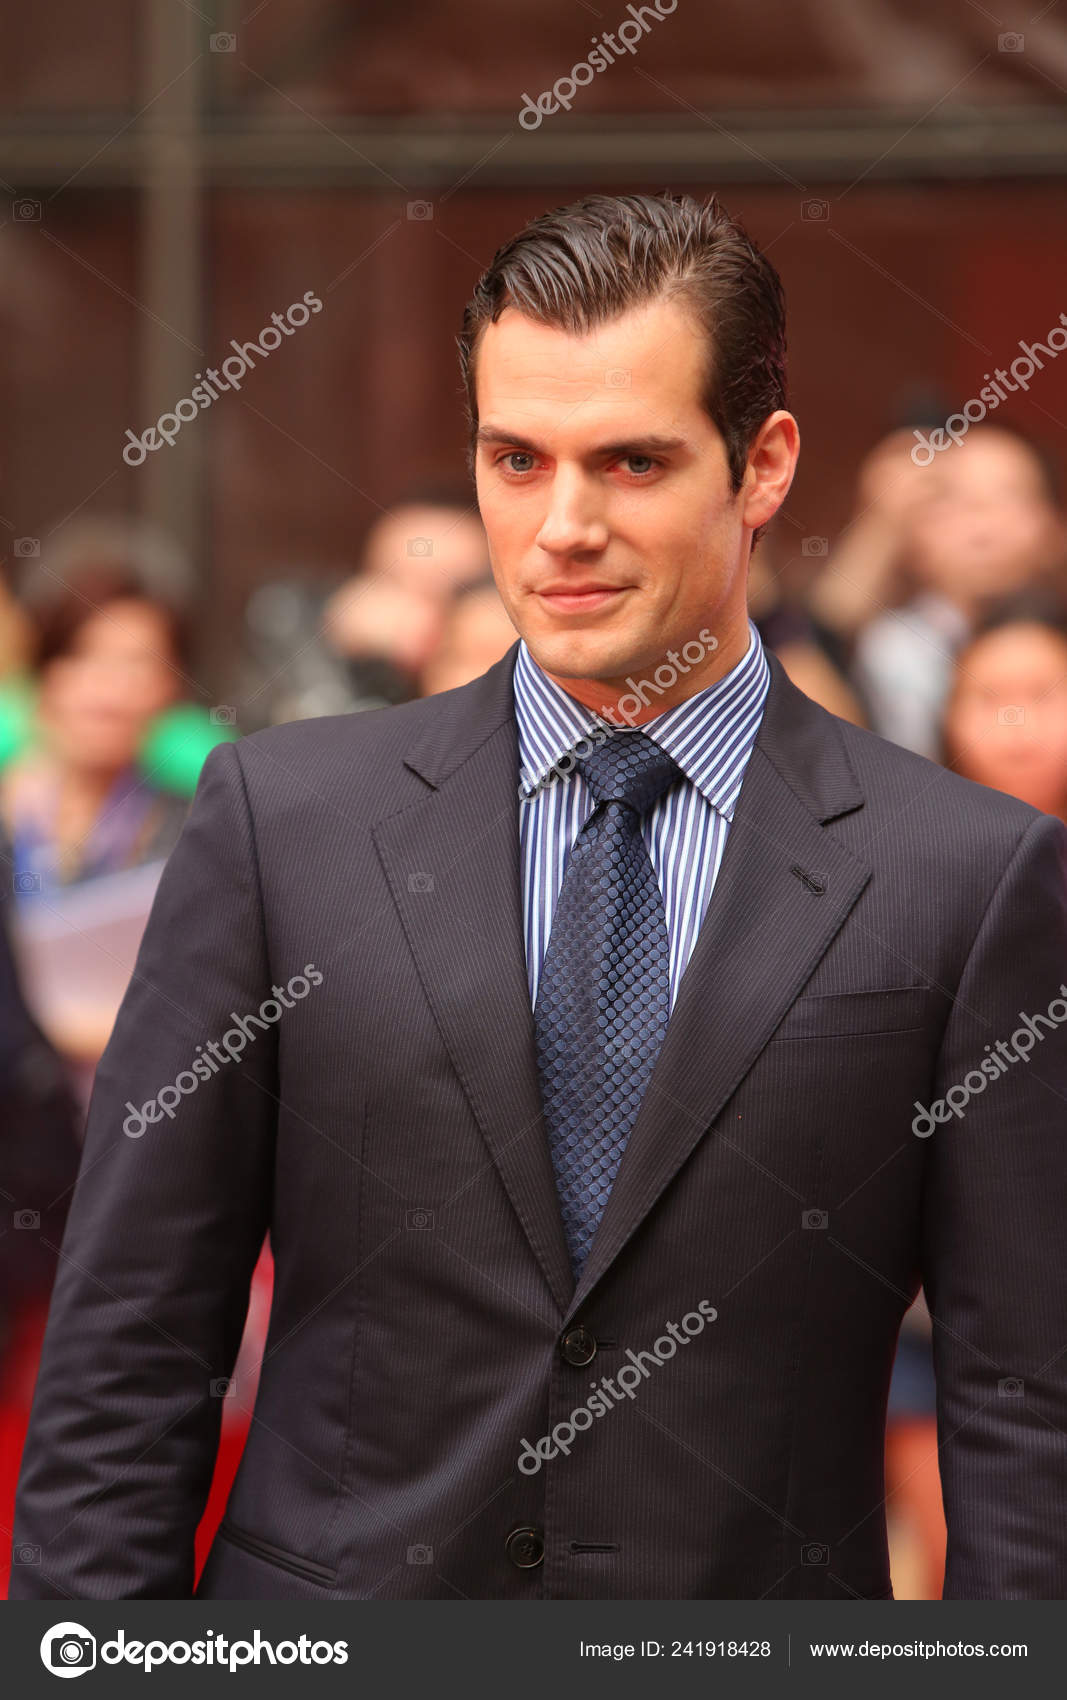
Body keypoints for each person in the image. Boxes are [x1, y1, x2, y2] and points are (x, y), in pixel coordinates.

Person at [9, 192, 1067, 1603]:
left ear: (760, 466)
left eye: (629, 462)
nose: (561, 526)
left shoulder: (963, 872)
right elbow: (135, 1328)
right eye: (515, 459)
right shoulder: (286, 823)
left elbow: (1021, 1405)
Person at [842, 425, 1065, 758]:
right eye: (953, 503)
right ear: (912, 538)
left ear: (1054, 526)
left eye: (1010, 496)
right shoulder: (892, 652)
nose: (984, 528)